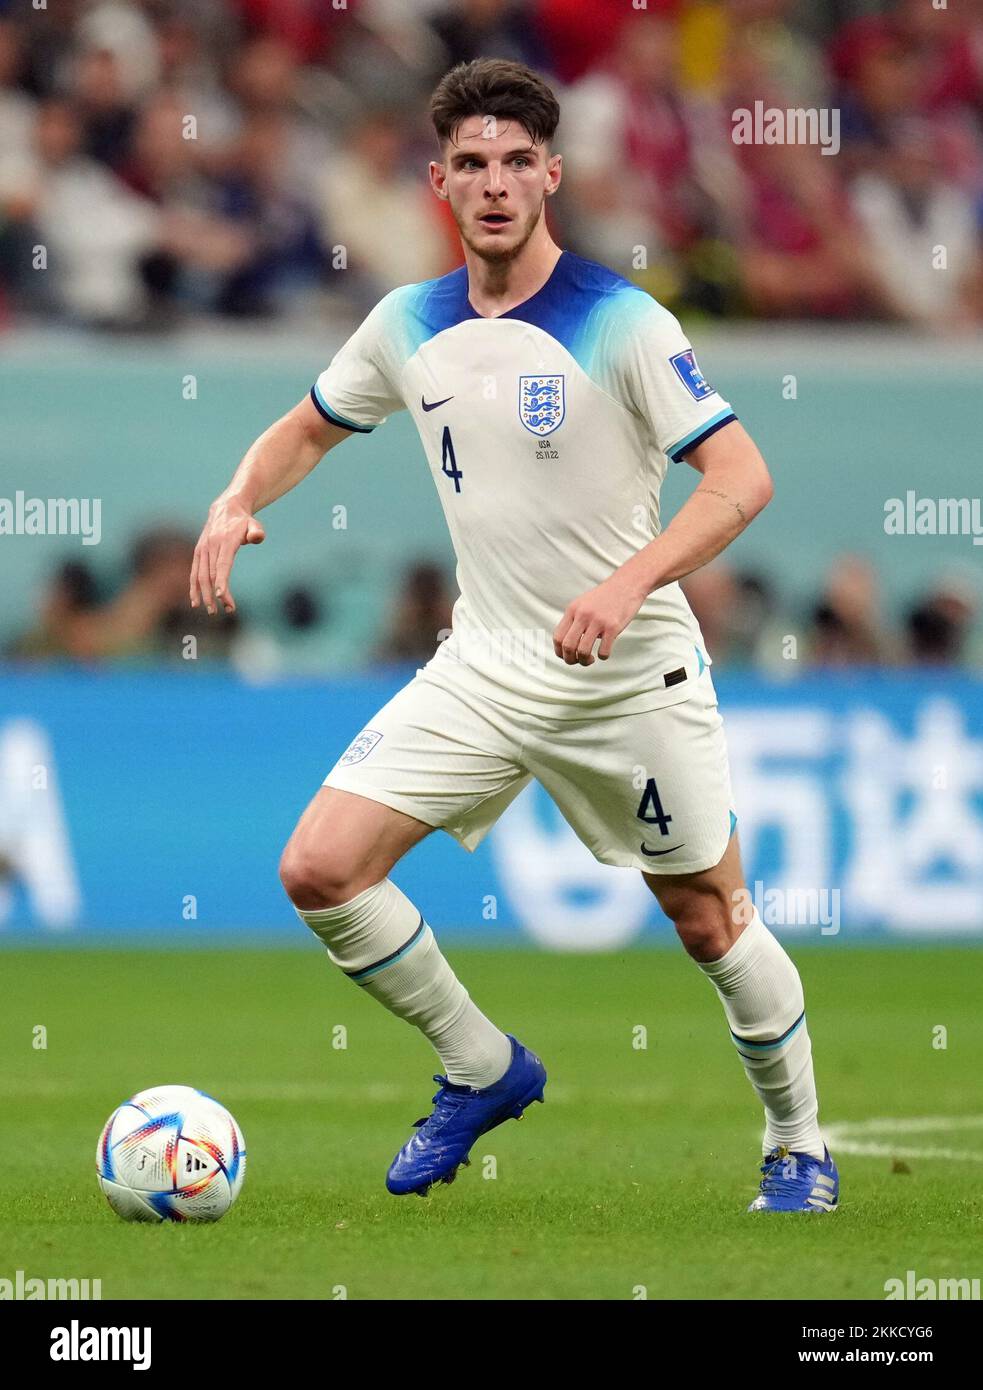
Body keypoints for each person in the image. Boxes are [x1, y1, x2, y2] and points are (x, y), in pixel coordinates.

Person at [191, 57, 837, 1214]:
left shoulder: (619, 322)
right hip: (485, 665)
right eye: (470, 166)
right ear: (440, 183)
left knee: (707, 919)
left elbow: (740, 478)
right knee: (320, 868)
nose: (493, 185)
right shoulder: (408, 322)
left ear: (550, 173)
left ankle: (796, 1142)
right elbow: (306, 427)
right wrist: (241, 496)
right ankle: (483, 1067)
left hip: (627, 675)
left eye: (513, 163)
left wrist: (626, 585)